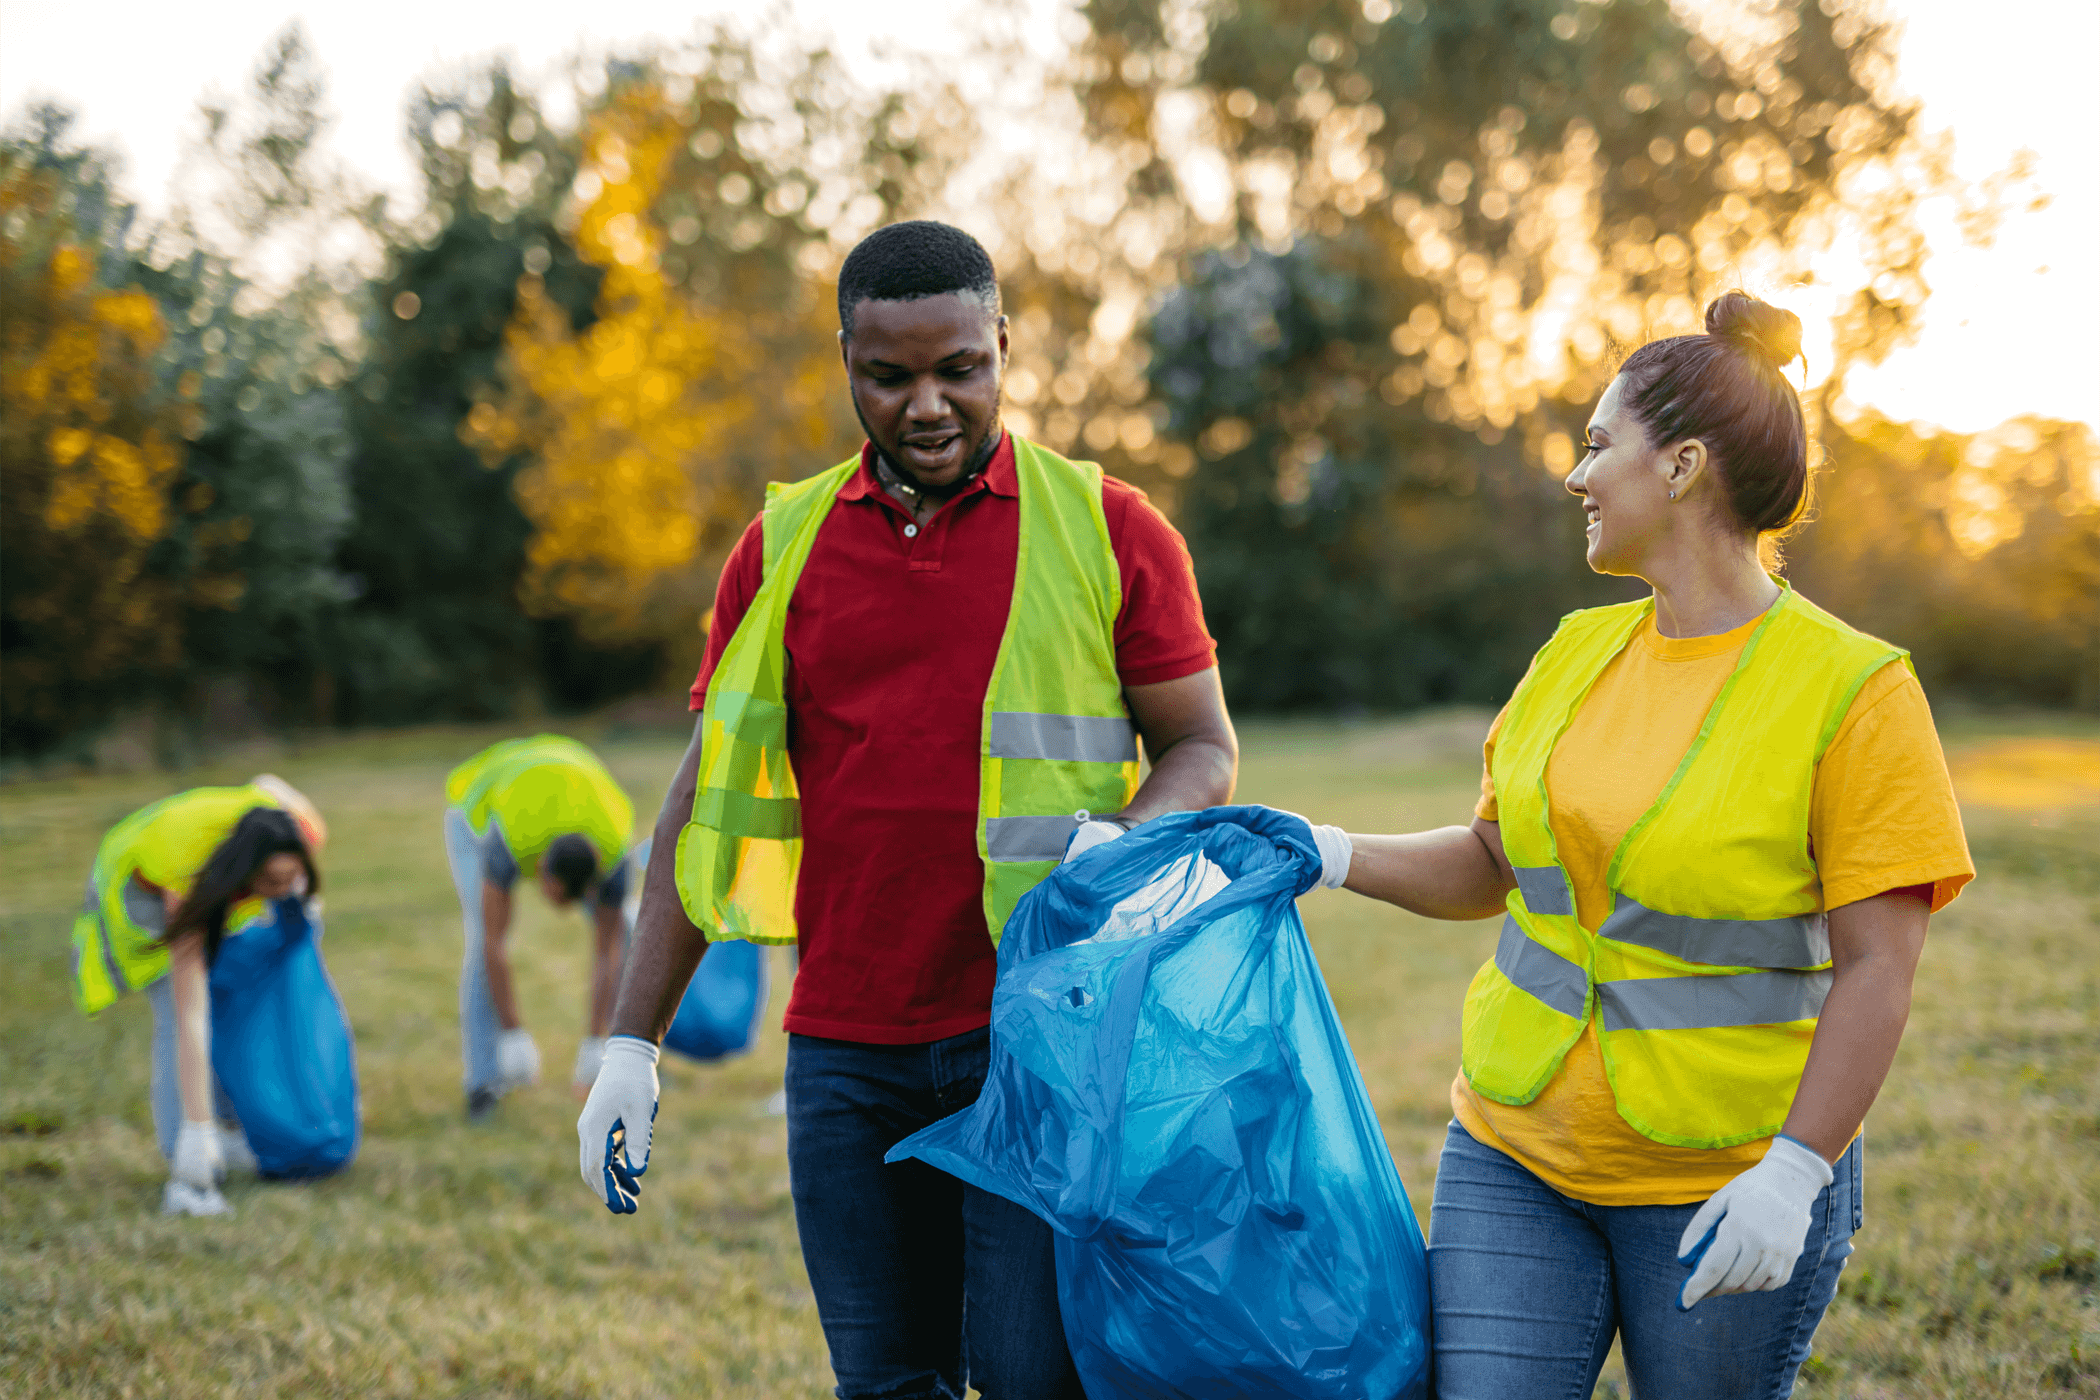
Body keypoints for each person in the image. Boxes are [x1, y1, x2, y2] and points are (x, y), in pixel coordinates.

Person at [577, 220, 1236, 1399]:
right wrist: (633, 1039)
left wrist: (1124, 841)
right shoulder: (779, 547)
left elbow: (1202, 748)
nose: (927, 405)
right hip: (844, 1046)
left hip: (1038, 1036)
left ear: (1003, 347)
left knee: (1039, 1378)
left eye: (958, 370)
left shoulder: (1109, 527)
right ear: (845, 361)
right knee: (884, 1382)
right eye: (889, 376)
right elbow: (697, 798)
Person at [1297, 292, 1974, 1398]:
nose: (1576, 475)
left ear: (1683, 466)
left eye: (1600, 443)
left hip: (1725, 1178)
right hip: (1515, 1150)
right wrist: (1330, 849)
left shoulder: (1856, 691)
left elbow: (1878, 968)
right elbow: (1494, 859)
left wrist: (1794, 1171)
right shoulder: (1573, 650)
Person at [71, 775, 327, 1216]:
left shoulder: (291, 829)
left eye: (294, 876)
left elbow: (269, 782)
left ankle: (227, 1130)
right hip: (138, 882)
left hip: (212, 863)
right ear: (245, 872)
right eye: (273, 881)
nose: (284, 889)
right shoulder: (184, 870)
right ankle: (187, 1168)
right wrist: (197, 1127)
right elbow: (191, 1012)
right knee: (179, 1010)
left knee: (228, 995)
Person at [444, 735, 638, 1119]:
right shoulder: (510, 844)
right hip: (476, 804)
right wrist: (514, 1032)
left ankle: (630, 1056)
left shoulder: (616, 851)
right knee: (481, 936)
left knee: (628, 935)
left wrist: (596, 1042)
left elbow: (607, 952)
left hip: (574, 782)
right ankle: (483, 1081)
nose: (562, 910)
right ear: (543, 874)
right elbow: (495, 946)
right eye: (557, 897)